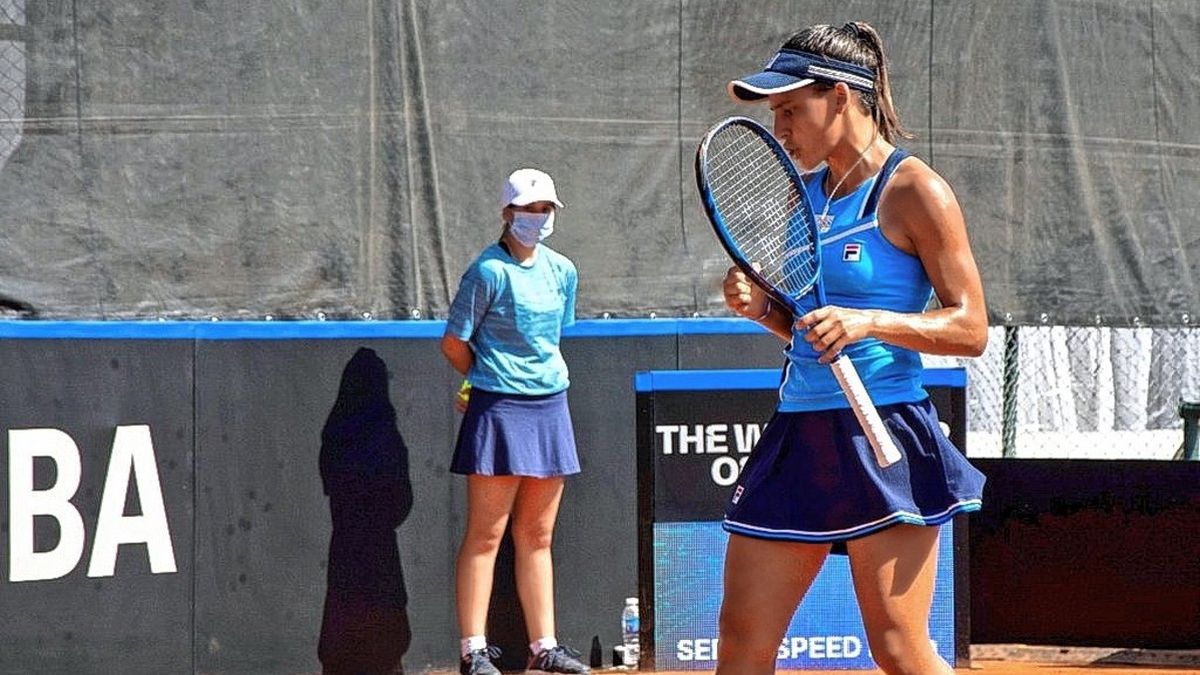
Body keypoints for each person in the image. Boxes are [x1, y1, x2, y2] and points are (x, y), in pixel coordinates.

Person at [716, 22, 988, 675]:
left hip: (885, 431)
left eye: (789, 109)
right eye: (773, 112)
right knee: (742, 639)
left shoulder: (917, 190)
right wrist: (766, 313)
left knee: (897, 644)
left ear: (840, 97)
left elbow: (971, 327)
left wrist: (870, 321)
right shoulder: (804, 193)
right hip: (799, 429)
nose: (778, 127)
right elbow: (813, 331)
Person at [441, 168, 589, 675]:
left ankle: (543, 646)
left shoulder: (563, 271)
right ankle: (473, 650)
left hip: (550, 407)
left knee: (538, 535)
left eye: (545, 209)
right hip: (498, 409)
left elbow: (552, 338)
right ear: (508, 213)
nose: (537, 218)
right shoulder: (486, 272)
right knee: (486, 535)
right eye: (528, 209)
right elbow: (454, 343)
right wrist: (481, 380)